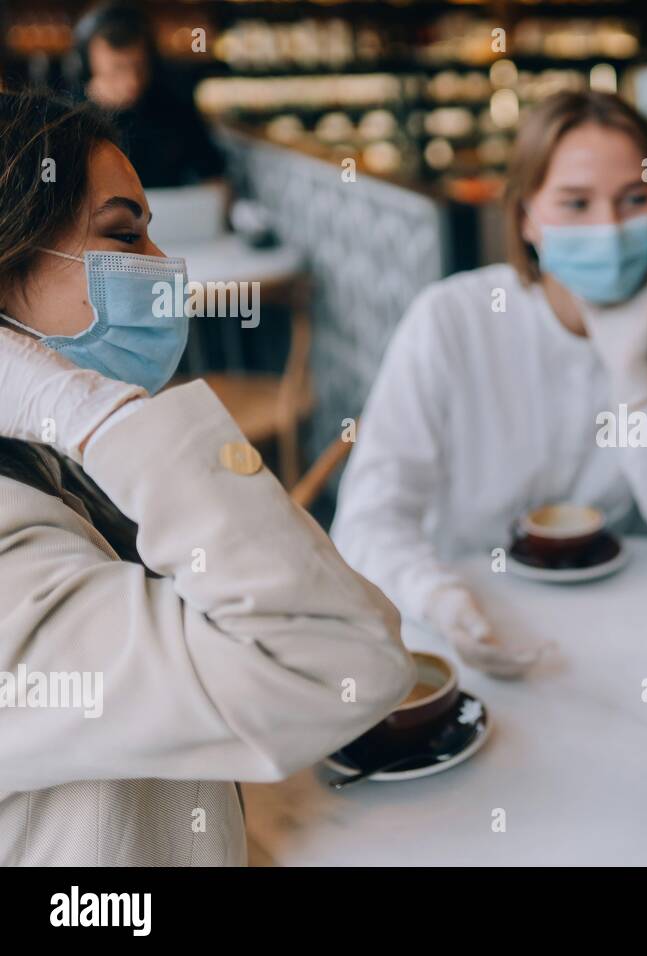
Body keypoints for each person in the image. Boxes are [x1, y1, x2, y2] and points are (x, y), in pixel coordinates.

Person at [0, 90, 414, 866]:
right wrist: (85, 405)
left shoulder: (48, 471)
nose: (165, 272)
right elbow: (340, 661)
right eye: (125, 235)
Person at [331, 91, 647, 678]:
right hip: (456, 626)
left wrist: (634, 374)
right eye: (576, 203)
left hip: (622, 632)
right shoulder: (453, 319)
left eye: (634, 199)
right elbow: (367, 521)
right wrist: (441, 600)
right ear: (527, 216)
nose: (607, 228)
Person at [72, 1, 225, 189]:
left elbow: (213, 174)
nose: (132, 82)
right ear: (87, 65)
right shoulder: (69, 116)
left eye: (140, 67)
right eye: (117, 68)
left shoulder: (175, 105)